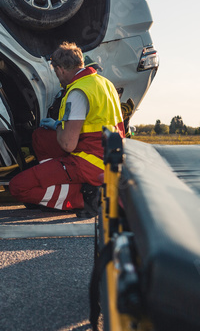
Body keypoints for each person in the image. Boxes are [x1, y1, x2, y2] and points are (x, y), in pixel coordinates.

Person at [9, 42, 125, 215]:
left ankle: (87, 198)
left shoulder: (77, 92)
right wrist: (58, 126)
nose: (57, 77)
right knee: (41, 136)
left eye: (56, 72)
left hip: (91, 162)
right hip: (110, 158)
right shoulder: (103, 83)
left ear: (61, 69)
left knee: (18, 187)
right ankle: (63, 184)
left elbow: (67, 145)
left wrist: (58, 125)